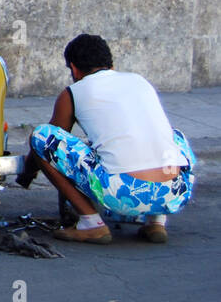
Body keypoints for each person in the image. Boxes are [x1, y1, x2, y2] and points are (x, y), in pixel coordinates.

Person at [17, 34, 195, 244]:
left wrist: (28, 172)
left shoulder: (73, 93)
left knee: (41, 135)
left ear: (73, 69)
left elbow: (52, 142)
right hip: (174, 194)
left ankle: (92, 224)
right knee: (174, 135)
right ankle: (156, 222)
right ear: (111, 64)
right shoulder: (139, 81)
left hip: (122, 194)